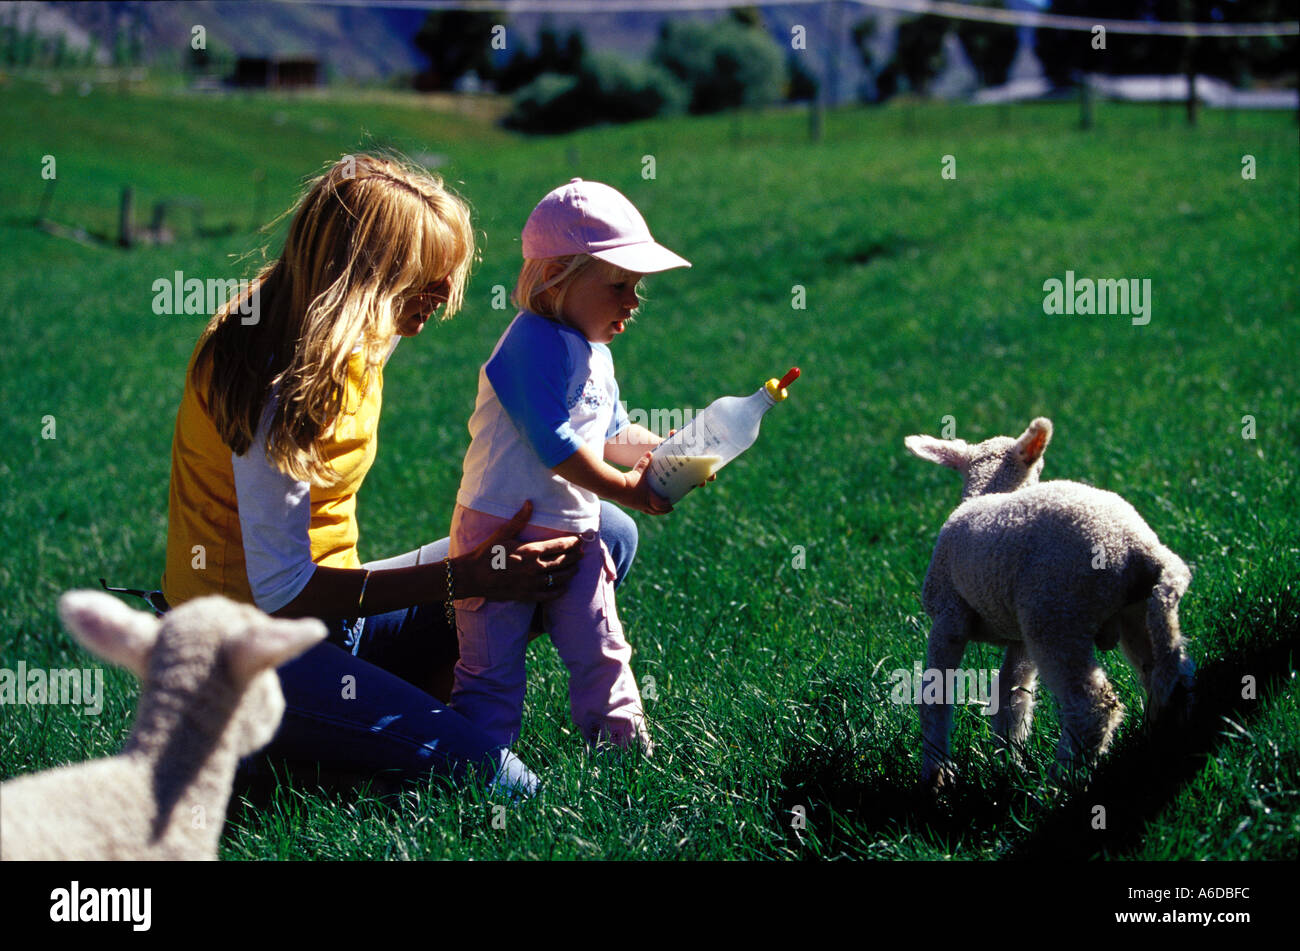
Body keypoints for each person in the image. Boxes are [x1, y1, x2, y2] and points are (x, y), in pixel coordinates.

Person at [159, 155, 640, 794]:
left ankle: (373, 729)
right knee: (505, 789)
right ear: (363, 276)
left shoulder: (348, 338)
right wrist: (466, 576)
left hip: (338, 625)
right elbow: (279, 591)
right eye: (426, 278)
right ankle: (271, 761)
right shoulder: (272, 376)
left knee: (602, 532)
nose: (443, 296)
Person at [449, 178, 690, 756]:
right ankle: (484, 770)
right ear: (558, 277)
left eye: (637, 288)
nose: (633, 301)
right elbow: (553, 442)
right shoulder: (531, 341)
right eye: (618, 285)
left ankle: (626, 755)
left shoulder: (596, 354)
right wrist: (627, 491)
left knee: (602, 650)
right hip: (497, 536)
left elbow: (609, 435)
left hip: (575, 533)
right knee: (491, 671)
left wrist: (669, 453)